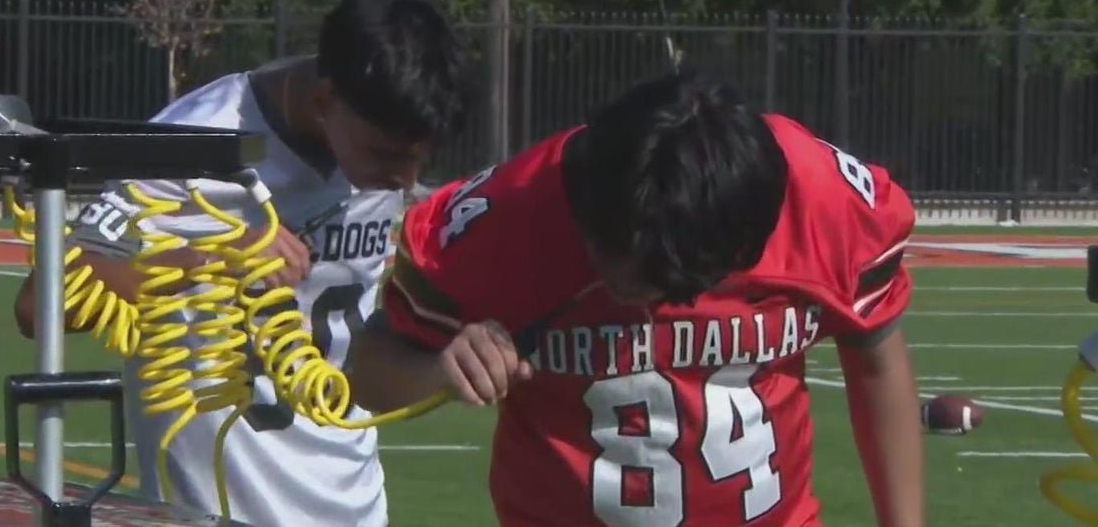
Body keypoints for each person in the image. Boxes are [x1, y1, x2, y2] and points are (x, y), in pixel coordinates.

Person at [351, 69, 925, 527]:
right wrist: (440, 369)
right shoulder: (502, 219)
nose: (637, 295)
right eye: (618, 259)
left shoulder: (817, 198)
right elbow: (365, 374)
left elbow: (874, 351)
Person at [11, 0, 470, 527]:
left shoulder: (370, 130)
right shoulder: (192, 140)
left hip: (355, 503)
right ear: (325, 101)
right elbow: (40, 303)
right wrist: (213, 258)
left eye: (420, 159)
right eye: (389, 155)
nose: (404, 179)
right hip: (214, 506)